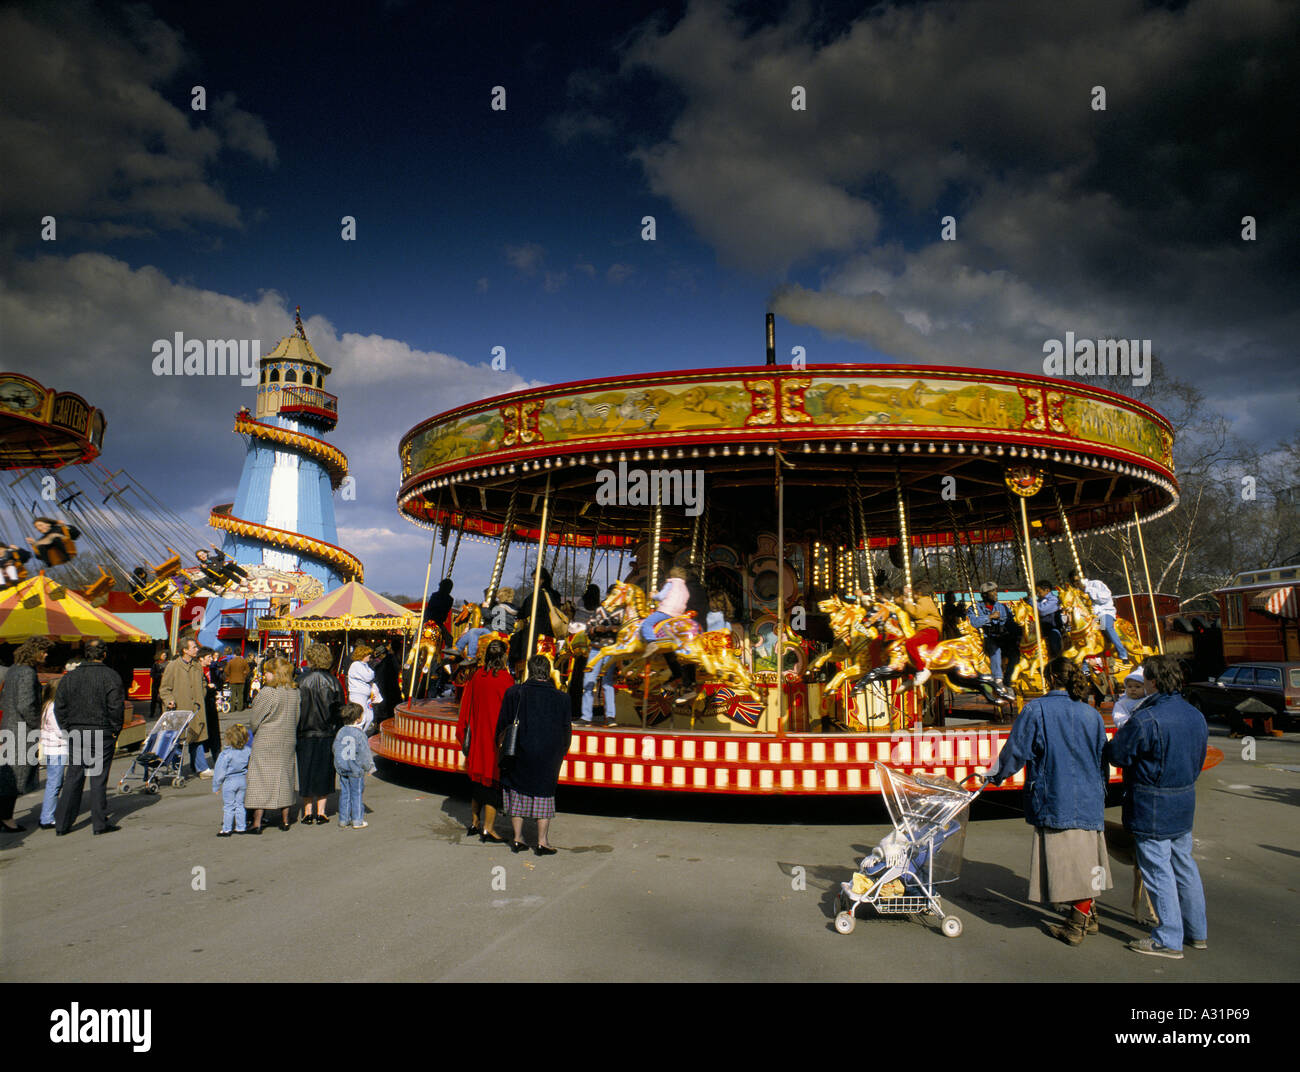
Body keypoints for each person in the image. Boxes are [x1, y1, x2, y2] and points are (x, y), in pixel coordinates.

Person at [983, 657, 1113, 944]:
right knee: (1087, 858)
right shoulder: (1091, 714)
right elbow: (1102, 758)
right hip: (1089, 794)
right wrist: (1101, 789)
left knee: (1069, 862)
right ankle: (1088, 914)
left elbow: (1016, 751)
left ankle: (1077, 923)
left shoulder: (1037, 709)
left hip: (1055, 794)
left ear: (1051, 679)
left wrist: (995, 775)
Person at [1103, 654, 1209, 959]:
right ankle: (1196, 932)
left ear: (1152, 681)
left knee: (1157, 869)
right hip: (1183, 798)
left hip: (1151, 802)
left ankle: (1168, 938)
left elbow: (1118, 755)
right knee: (1183, 865)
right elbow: (1199, 758)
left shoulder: (1146, 718)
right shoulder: (1195, 715)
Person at [497, 655, 572, 855]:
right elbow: (566, 730)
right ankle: (542, 841)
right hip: (548, 754)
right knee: (544, 795)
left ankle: (517, 838)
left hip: (518, 750)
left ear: (529, 670)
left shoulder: (514, 693)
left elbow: (503, 723)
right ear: (548, 672)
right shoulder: (562, 698)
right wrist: (561, 751)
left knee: (516, 792)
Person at [53, 639, 125, 837]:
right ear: (104, 654)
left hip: (77, 730)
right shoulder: (111, 676)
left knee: (73, 777)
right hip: (101, 731)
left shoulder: (70, 677)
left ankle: (62, 824)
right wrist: (115, 730)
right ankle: (99, 823)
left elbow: (59, 707)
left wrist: (67, 728)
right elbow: (116, 708)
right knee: (98, 778)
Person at [456, 639, 513, 842]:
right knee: (492, 784)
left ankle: (474, 822)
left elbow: (466, 707)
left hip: (478, 736)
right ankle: (488, 828)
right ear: (503, 656)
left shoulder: (477, 676)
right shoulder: (506, 679)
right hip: (494, 740)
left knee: (478, 782)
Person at [0, 636, 52, 832]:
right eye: (43, 651)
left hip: (10, 726)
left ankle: (5, 816)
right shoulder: (27, 672)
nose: (46, 655)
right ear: (34, 652)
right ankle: (6, 818)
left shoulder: (14, 669)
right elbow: (26, 705)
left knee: (8, 775)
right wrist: (36, 724)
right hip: (21, 731)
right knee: (15, 778)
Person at [245, 655, 301, 834]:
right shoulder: (294, 692)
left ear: (276, 673)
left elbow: (255, 719)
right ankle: (285, 819)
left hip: (267, 739)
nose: (265, 675)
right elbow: (297, 717)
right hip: (287, 739)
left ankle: (257, 822)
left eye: (268, 672)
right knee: (284, 779)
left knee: (260, 780)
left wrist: (255, 731)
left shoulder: (268, 692)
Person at [297, 642, 343, 824]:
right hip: (327, 732)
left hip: (304, 732)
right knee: (325, 771)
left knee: (305, 770)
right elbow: (339, 709)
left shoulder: (300, 680)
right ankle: (321, 811)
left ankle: (308, 811)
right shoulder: (333, 681)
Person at [159, 638, 210, 778]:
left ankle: (201, 767)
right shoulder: (173, 666)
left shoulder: (197, 666)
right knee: (177, 741)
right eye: (193, 647)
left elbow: (203, 682)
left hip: (196, 709)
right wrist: (169, 700)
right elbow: (164, 689)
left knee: (197, 738)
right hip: (179, 710)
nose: (197, 649)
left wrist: (202, 693)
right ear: (185, 650)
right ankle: (177, 769)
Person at [580, 585, 624, 724]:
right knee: (588, 681)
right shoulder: (599, 610)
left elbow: (623, 629)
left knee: (607, 682)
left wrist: (607, 628)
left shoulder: (621, 611)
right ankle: (586, 716)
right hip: (596, 649)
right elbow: (589, 627)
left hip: (610, 650)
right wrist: (595, 629)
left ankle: (610, 716)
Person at [1068, 568, 1129, 663]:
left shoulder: (1095, 584)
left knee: (1106, 626)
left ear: (1082, 578)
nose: (1075, 583)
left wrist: (1087, 589)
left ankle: (1122, 653)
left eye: (1077, 580)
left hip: (1103, 612)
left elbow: (1105, 597)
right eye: (1073, 582)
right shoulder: (1075, 592)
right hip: (1088, 617)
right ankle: (1084, 665)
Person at [333, 702, 376, 829]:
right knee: (356, 794)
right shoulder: (359, 733)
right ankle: (357, 820)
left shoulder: (341, 731)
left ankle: (343, 819)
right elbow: (364, 752)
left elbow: (335, 748)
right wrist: (370, 767)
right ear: (358, 718)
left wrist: (338, 764)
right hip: (356, 769)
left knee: (345, 793)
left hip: (343, 768)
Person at [966, 581, 1011, 687]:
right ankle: (998, 679)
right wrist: (989, 617)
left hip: (1002, 636)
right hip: (986, 637)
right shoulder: (975, 608)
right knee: (995, 649)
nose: (996, 593)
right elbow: (973, 622)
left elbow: (1010, 621)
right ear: (985, 595)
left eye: (996, 590)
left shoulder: (1001, 607)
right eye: (992, 591)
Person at [898, 580, 943, 685]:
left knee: (910, 643)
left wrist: (906, 600)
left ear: (919, 593)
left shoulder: (925, 601)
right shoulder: (923, 601)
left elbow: (917, 613)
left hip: (930, 630)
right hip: (925, 629)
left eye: (913, 593)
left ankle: (921, 669)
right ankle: (910, 675)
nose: (912, 595)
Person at [211, 723, 251, 836]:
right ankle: (241, 827)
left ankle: (227, 829)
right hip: (242, 780)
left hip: (230, 781)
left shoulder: (226, 754)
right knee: (240, 804)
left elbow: (219, 772)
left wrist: (216, 786)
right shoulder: (248, 750)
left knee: (229, 806)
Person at [38, 680, 68, 829]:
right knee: (55, 784)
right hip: (58, 749)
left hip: (50, 748)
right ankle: (47, 817)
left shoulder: (46, 706)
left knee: (54, 782)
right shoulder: (54, 707)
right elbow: (60, 730)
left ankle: (47, 815)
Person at [346, 643, 381, 732]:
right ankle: (357, 732)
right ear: (362, 655)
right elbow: (368, 676)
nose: (369, 656)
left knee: (369, 716)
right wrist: (371, 674)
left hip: (365, 696)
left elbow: (370, 675)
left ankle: (363, 732)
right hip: (358, 695)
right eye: (368, 654)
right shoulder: (356, 665)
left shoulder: (364, 665)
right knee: (360, 717)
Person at [199, 646, 224, 768]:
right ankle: (198, 763)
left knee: (214, 734)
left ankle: (217, 759)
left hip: (211, 703)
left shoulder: (213, 669)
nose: (212, 659)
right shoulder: (196, 670)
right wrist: (208, 687)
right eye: (209, 657)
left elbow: (220, 682)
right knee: (200, 736)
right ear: (201, 658)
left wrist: (215, 686)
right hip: (201, 705)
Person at [369, 643, 402, 734]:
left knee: (385, 715)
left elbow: (380, 680)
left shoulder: (382, 664)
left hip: (384, 693)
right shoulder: (392, 660)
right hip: (392, 692)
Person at [1035, 580, 1064, 658]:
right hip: (1041, 629)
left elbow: (1042, 611)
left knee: (1054, 639)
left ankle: (1058, 657)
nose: (1037, 594)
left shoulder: (1054, 599)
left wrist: (1032, 602)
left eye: (1039, 592)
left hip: (1052, 627)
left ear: (1047, 590)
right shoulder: (1039, 601)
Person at [225, 648, 249, 713]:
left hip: (232, 680)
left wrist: (229, 676)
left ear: (234, 654)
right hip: (241, 680)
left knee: (233, 694)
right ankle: (240, 708)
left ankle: (232, 708)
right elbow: (247, 670)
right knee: (240, 694)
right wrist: (244, 675)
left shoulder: (231, 661)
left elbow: (226, 670)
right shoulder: (244, 661)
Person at [149, 649, 167, 719]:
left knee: (162, 700)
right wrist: (160, 675)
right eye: (163, 655)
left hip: (164, 684)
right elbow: (152, 674)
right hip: (156, 684)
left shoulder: (167, 664)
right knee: (154, 699)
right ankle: (152, 713)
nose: (165, 656)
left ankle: (162, 713)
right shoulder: (156, 664)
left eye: (165, 655)